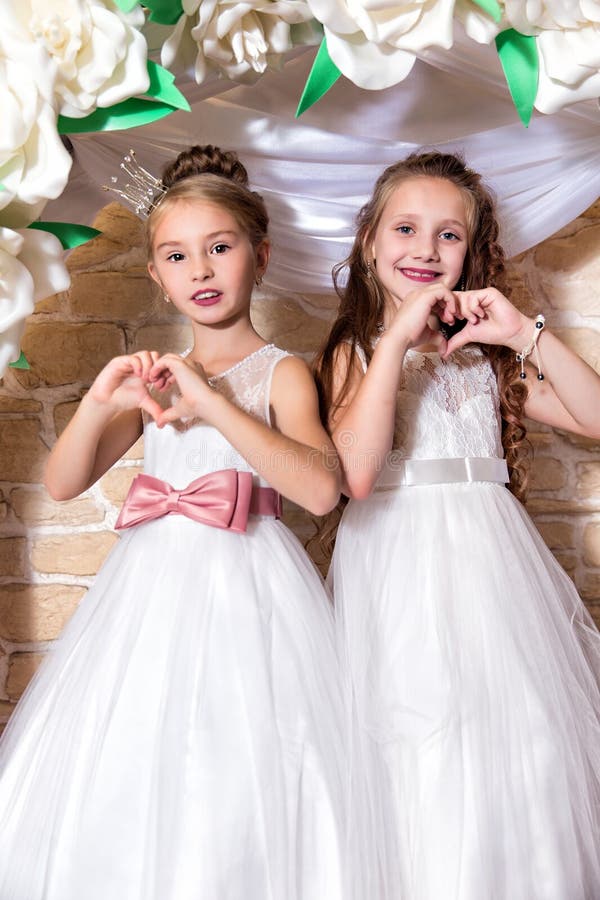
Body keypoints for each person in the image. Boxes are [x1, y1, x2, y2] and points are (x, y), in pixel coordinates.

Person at [0, 145, 350, 900]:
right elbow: (63, 484)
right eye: (177, 255)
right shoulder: (153, 377)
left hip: (251, 591)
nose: (201, 270)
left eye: (219, 248)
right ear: (156, 275)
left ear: (260, 255)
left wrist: (215, 402)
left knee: (239, 760)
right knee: (140, 754)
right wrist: (101, 399)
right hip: (150, 594)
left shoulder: (281, 373)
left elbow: (323, 491)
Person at [315, 150, 600, 900]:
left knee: (518, 737)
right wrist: (393, 343)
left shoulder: (483, 358)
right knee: (421, 733)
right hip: (401, 567)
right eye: (406, 228)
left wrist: (523, 336)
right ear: (370, 240)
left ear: (471, 253)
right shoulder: (354, 355)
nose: (426, 248)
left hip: (493, 571)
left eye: (449, 235)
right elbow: (358, 473)